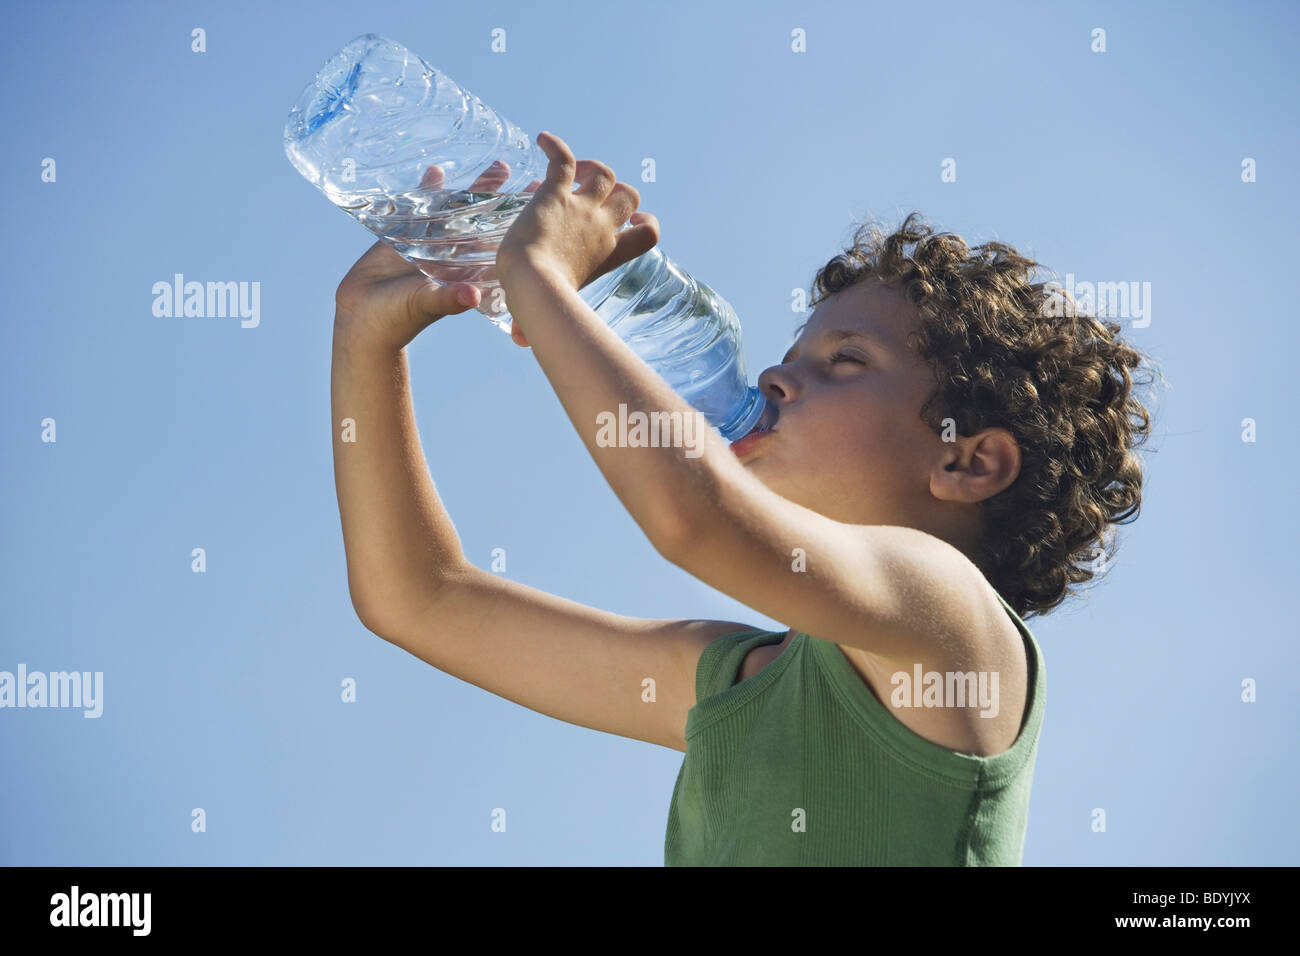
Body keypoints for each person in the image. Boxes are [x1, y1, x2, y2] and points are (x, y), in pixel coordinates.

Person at [330, 130, 1159, 865]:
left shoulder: (951, 633)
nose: (773, 377)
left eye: (845, 361)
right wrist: (367, 336)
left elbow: (693, 515)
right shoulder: (733, 680)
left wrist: (541, 274)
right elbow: (419, 600)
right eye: (791, 353)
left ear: (968, 463)